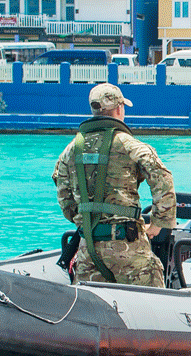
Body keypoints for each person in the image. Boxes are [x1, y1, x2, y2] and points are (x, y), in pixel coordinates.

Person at [52, 83, 175, 286]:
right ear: (119, 108)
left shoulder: (71, 150)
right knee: (150, 299)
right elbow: (162, 178)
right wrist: (158, 223)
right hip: (128, 248)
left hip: (88, 249)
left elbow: (63, 193)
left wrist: (83, 220)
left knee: (90, 302)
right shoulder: (130, 145)